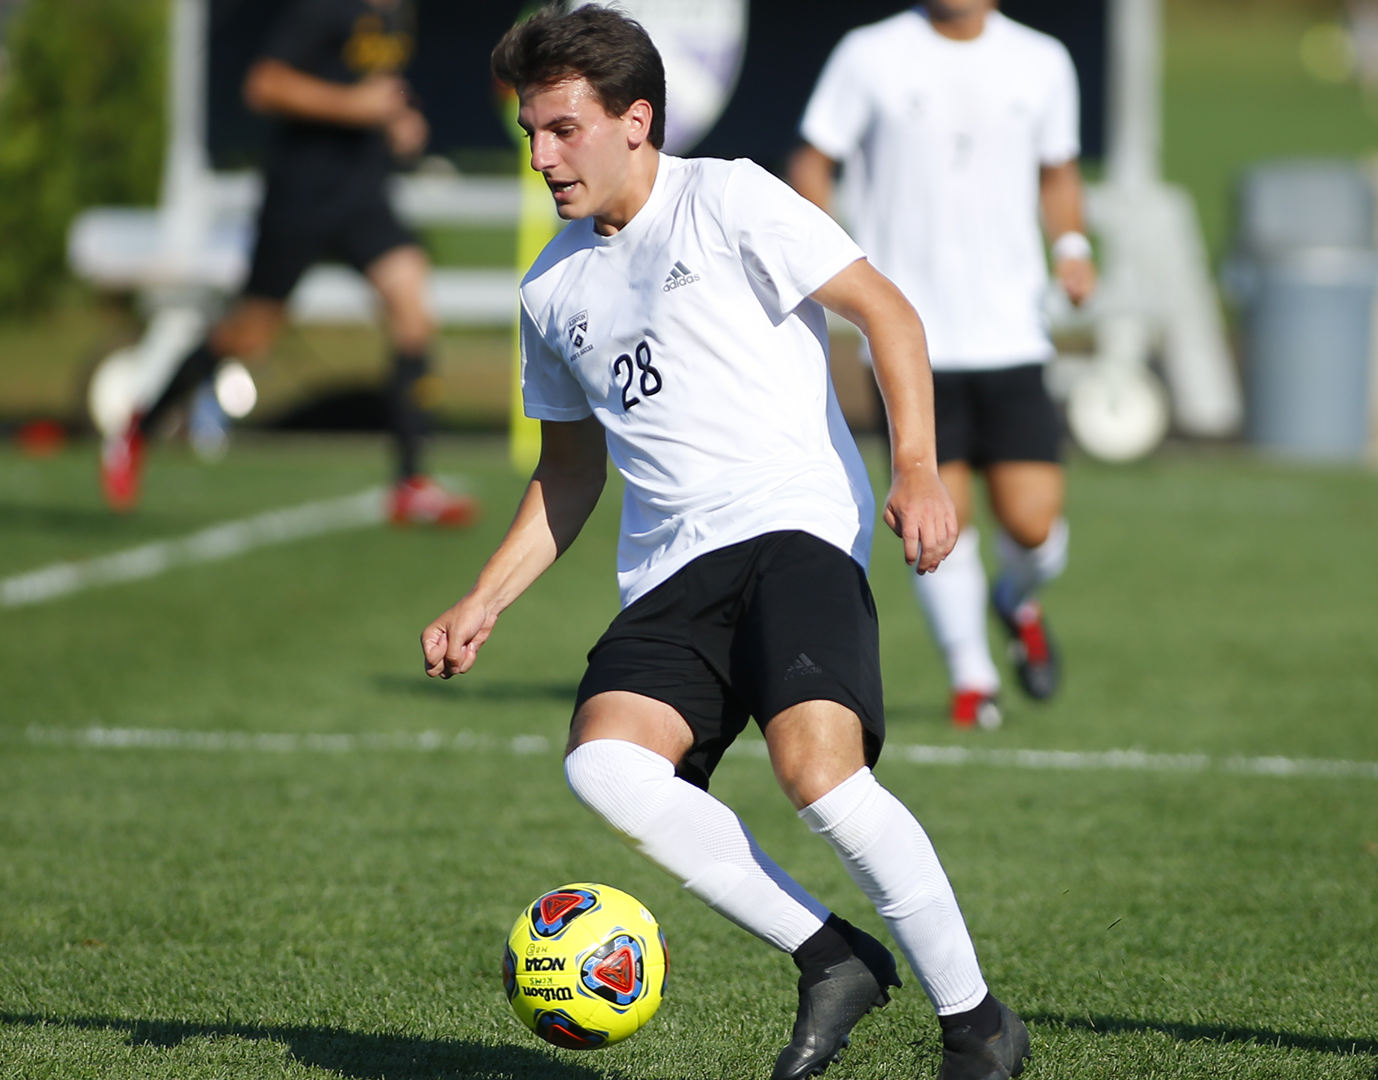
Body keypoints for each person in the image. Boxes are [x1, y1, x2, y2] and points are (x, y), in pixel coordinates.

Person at [423, 8, 1030, 1079]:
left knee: (819, 777)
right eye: (530, 133)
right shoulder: (550, 288)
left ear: (636, 120)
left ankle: (977, 1023)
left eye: (563, 129)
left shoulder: (732, 197)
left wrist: (920, 467)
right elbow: (569, 473)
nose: (542, 155)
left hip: (792, 528)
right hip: (668, 573)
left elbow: (885, 313)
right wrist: (485, 600)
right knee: (607, 768)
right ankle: (829, 952)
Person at [791, 0, 1096, 730]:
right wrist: (821, 259)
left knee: (1032, 521)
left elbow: (1059, 174)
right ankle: (974, 678)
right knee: (937, 512)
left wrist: (1073, 249)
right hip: (906, 334)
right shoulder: (870, 52)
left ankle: (1017, 597)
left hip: (1012, 330)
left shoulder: (1042, 60)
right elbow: (814, 159)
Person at [99, 0, 474, 525]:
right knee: (248, 335)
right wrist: (354, 106)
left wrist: (398, 119)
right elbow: (265, 84)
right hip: (300, 197)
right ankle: (141, 428)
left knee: (412, 306)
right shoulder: (324, 9)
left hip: (363, 194)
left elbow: (374, 85)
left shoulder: (398, 14)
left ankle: (411, 482)